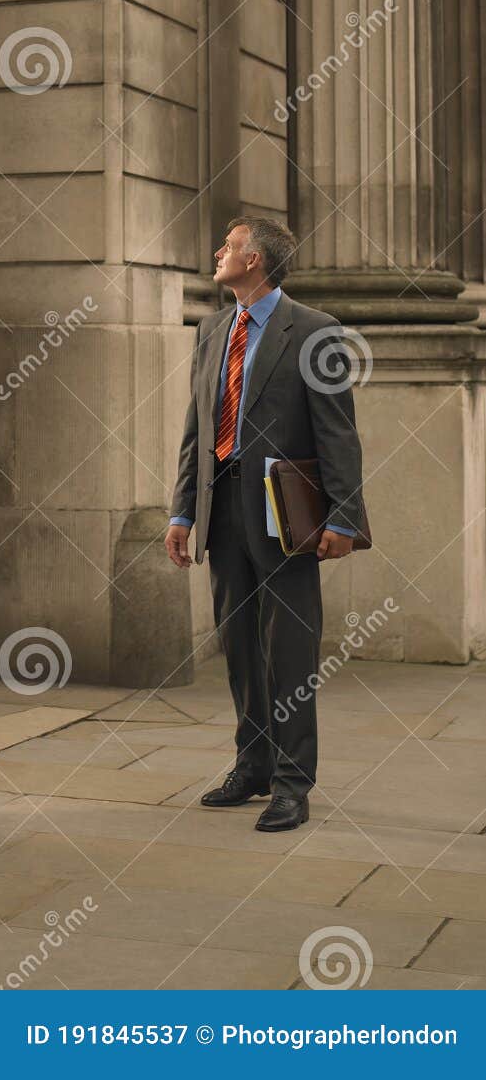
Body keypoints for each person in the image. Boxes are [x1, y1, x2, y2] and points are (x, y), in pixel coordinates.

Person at [164, 217, 366, 831]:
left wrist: (345, 515)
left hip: (286, 513)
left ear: (254, 260)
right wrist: (182, 511)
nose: (218, 252)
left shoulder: (315, 331)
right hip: (221, 510)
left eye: (228, 246)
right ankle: (251, 765)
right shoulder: (211, 328)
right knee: (239, 646)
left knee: (290, 650)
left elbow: (339, 430)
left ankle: (291, 783)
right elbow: (197, 427)